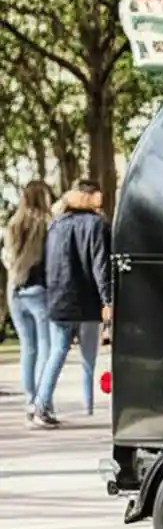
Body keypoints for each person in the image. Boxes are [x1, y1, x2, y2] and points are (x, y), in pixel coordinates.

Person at [31, 180, 113, 427]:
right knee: (89, 356)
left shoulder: (56, 224)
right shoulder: (97, 225)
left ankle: (40, 403)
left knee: (57, 351)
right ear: (91, 197)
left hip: (58, 300)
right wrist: (108, 299)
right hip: (86, 301)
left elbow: (49, 263)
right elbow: (101, 265)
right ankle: (87, 408)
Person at [1, 180, 55, 427]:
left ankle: (30, 400)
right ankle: (42, 403)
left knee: (28, 349)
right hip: (37, 289)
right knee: (46, 346)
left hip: (15, 289)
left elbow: (8, 258)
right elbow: (49, 258)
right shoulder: (44, 223)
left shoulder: (12, 224)